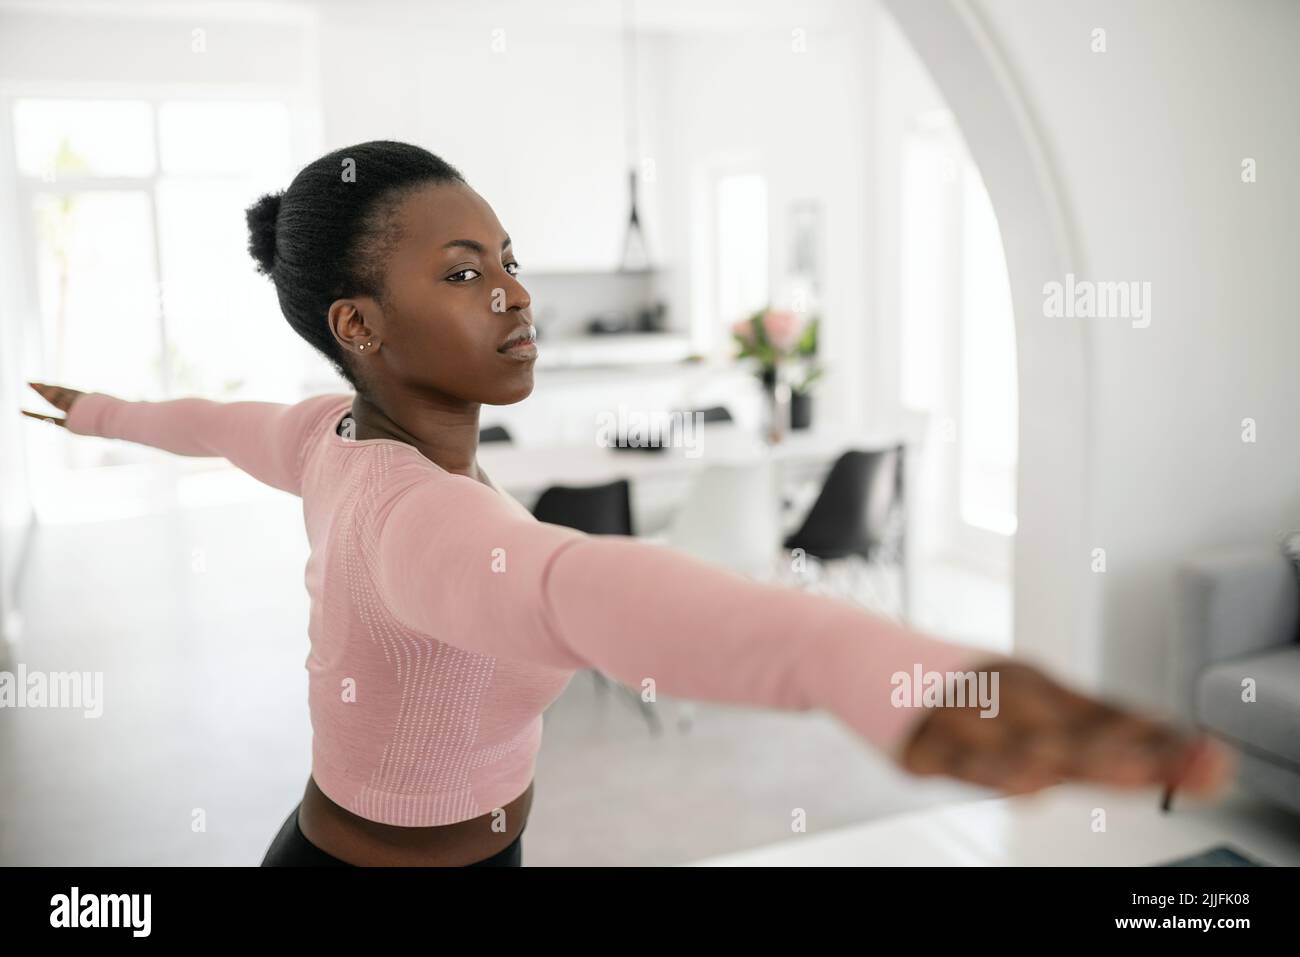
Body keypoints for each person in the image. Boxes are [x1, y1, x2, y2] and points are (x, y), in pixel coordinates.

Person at [20, 141, 1232, 867]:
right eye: (460, 273)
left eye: (506, 260)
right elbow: (581, 589)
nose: (511, 294)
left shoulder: (324, 434)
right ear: (359, 326)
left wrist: (101, 414)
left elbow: (208, 427)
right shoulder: (418, 522)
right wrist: (873, 668)